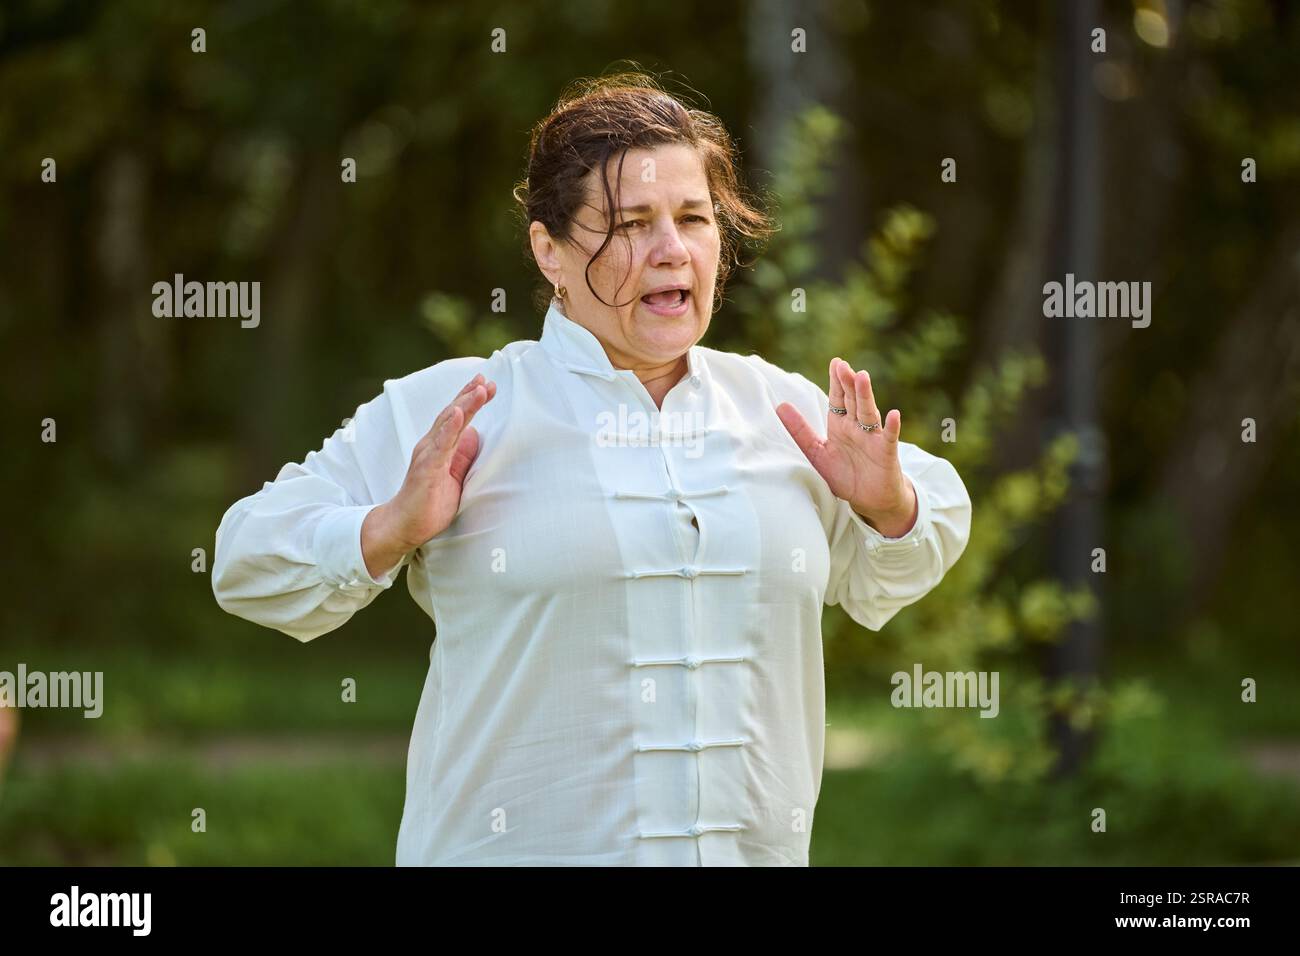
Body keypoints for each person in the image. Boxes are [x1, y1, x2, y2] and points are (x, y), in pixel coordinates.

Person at [212, 71, 972, 866]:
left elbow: (918, 543)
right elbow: (245, 559)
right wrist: (388, 528)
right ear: (549, 251)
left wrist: (892, 505)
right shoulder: (464, 410)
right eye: (631, 223)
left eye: (693, 218)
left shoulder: (784, 412)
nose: (672, 250)